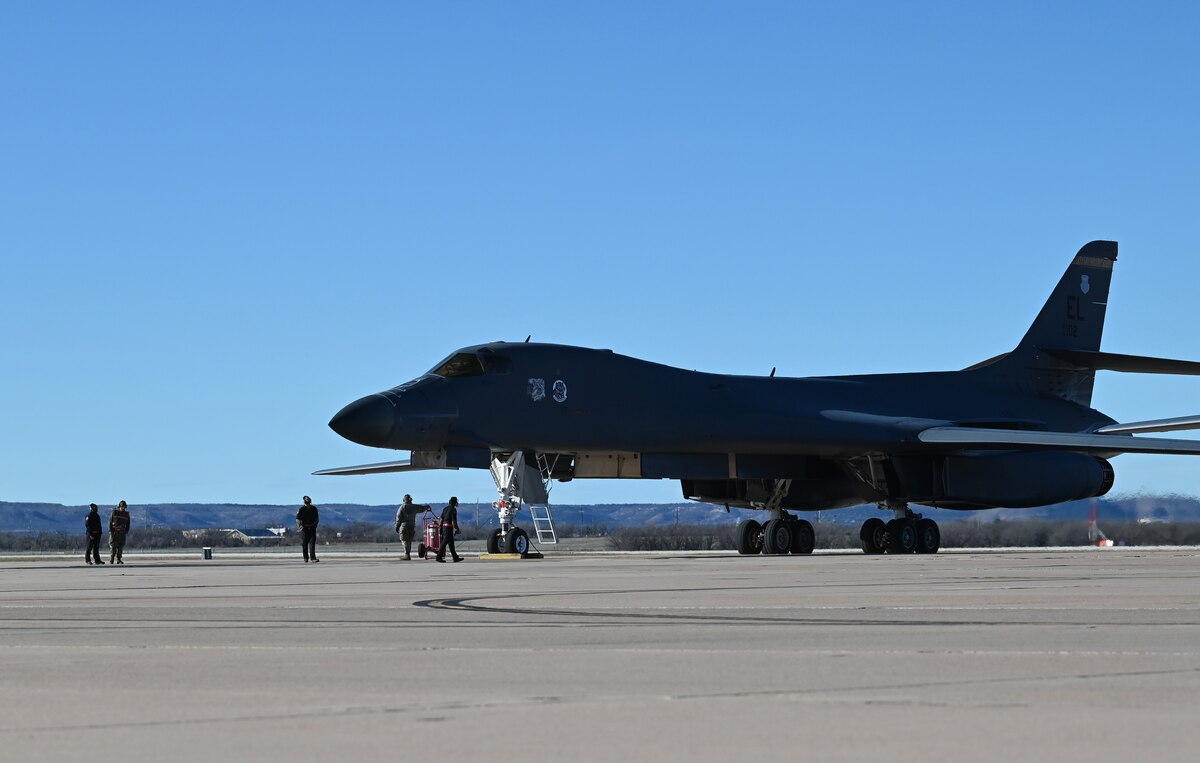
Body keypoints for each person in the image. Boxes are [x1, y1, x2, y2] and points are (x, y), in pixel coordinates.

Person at [395, 494, 429, 561]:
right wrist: (426, 507)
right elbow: (421, 508)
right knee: (409, 540)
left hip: (404, 525)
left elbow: (398, 517)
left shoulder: (402, 507)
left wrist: (397, 526)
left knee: (404, 540)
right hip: (412, 525)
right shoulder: (414, 507)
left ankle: (407, 555)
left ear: (404, 499)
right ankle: (407, 554)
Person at [435, 496, 463, 563]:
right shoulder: (453, 509)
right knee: (444, 542)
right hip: (449, 527)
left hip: (444, 527)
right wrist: (456, 529)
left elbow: (441, 519)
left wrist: (440, 527)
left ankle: (455, 557)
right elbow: (453, 521)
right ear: (455, 502)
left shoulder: (445, 508)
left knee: (451, 543)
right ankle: (438, 556)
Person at [296, 496, 319, 562]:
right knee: (304, 544)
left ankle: (313, 558)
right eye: (307, 500)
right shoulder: (301, 509)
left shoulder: (314, 509)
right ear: (304, 501)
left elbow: (317, 518)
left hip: (312, 527)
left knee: (312, 543)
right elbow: (297, 519)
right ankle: (305, 558)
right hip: (304, 528)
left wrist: (315, 525)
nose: (308, 502)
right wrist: (300, 526)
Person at [108, 500, 131, 564]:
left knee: (121, 546)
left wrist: (126, 531)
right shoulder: (114, 512)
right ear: (119, 506)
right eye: (122, 507)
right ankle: (112, 558)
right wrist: (110, 531)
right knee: (113, 546)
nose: (123, 508)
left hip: (122, 532)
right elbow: (110, 522)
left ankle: (119, 559)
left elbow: (128, 524)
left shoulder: (126, 514)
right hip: (114, 532)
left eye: (124, 507)